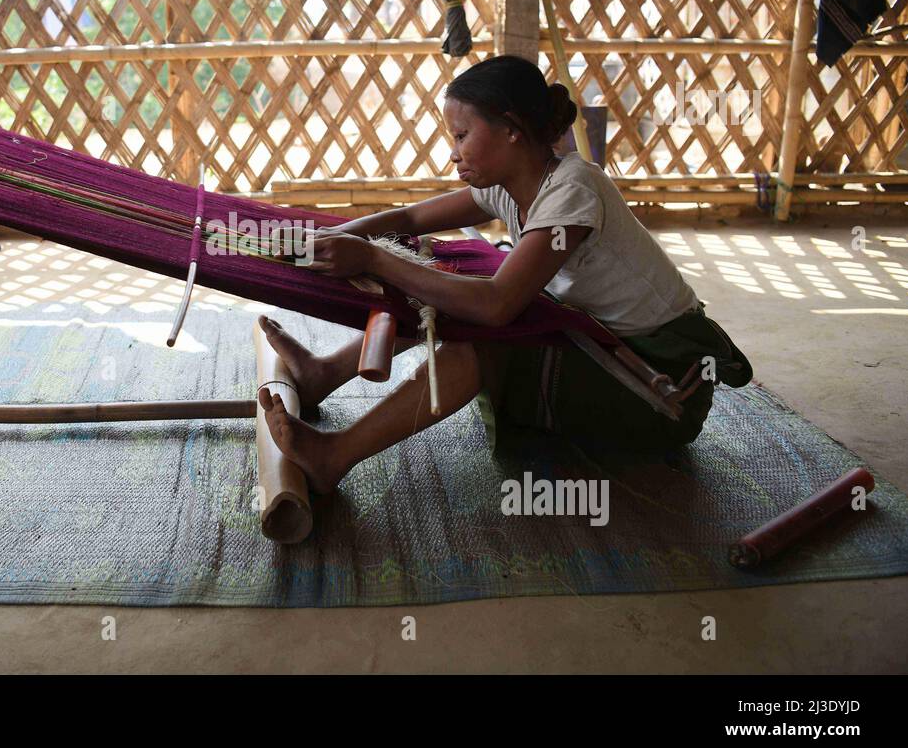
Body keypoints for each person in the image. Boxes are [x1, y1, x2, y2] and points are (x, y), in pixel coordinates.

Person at [258, 54, 752, 494]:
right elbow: (408, 221)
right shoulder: (511, 184)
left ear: (512, 129)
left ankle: (336, 454)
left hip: (657, 387)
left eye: (461, 135)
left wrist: (373, 258)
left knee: (476, 332)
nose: (453, 151)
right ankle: (324, 373)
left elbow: (495, 304)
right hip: (605, 348)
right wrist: (329, 240)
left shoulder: (573, 191)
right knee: (439, 273)